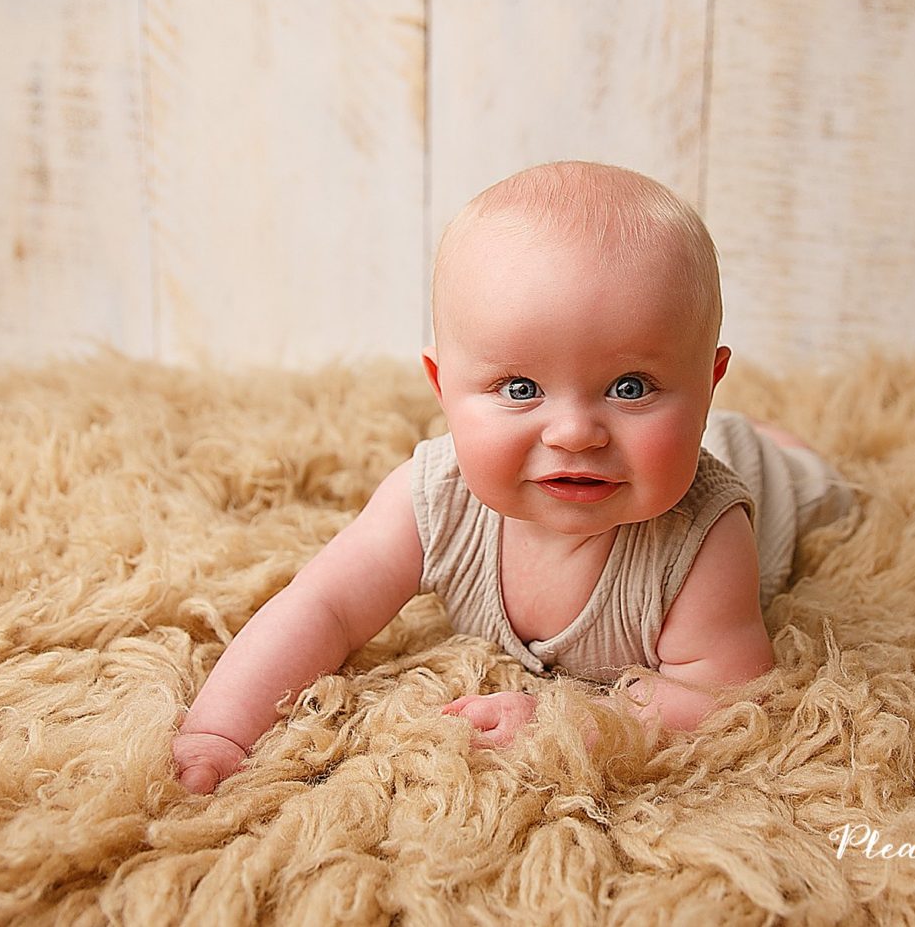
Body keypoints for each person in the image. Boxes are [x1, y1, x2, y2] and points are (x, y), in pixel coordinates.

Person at [172, 161, 852, 794]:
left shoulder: (705, 536)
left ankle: (773, 444)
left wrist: (570, 720)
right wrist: (219, 730)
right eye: (521, 387)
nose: (575, 432)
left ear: (707, 383)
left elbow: (723, 696)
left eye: (630, 385)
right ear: (443, 387)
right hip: (683, 437)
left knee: (812, 478)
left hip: (776, 481)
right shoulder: (433, 495)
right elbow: (322, 605)